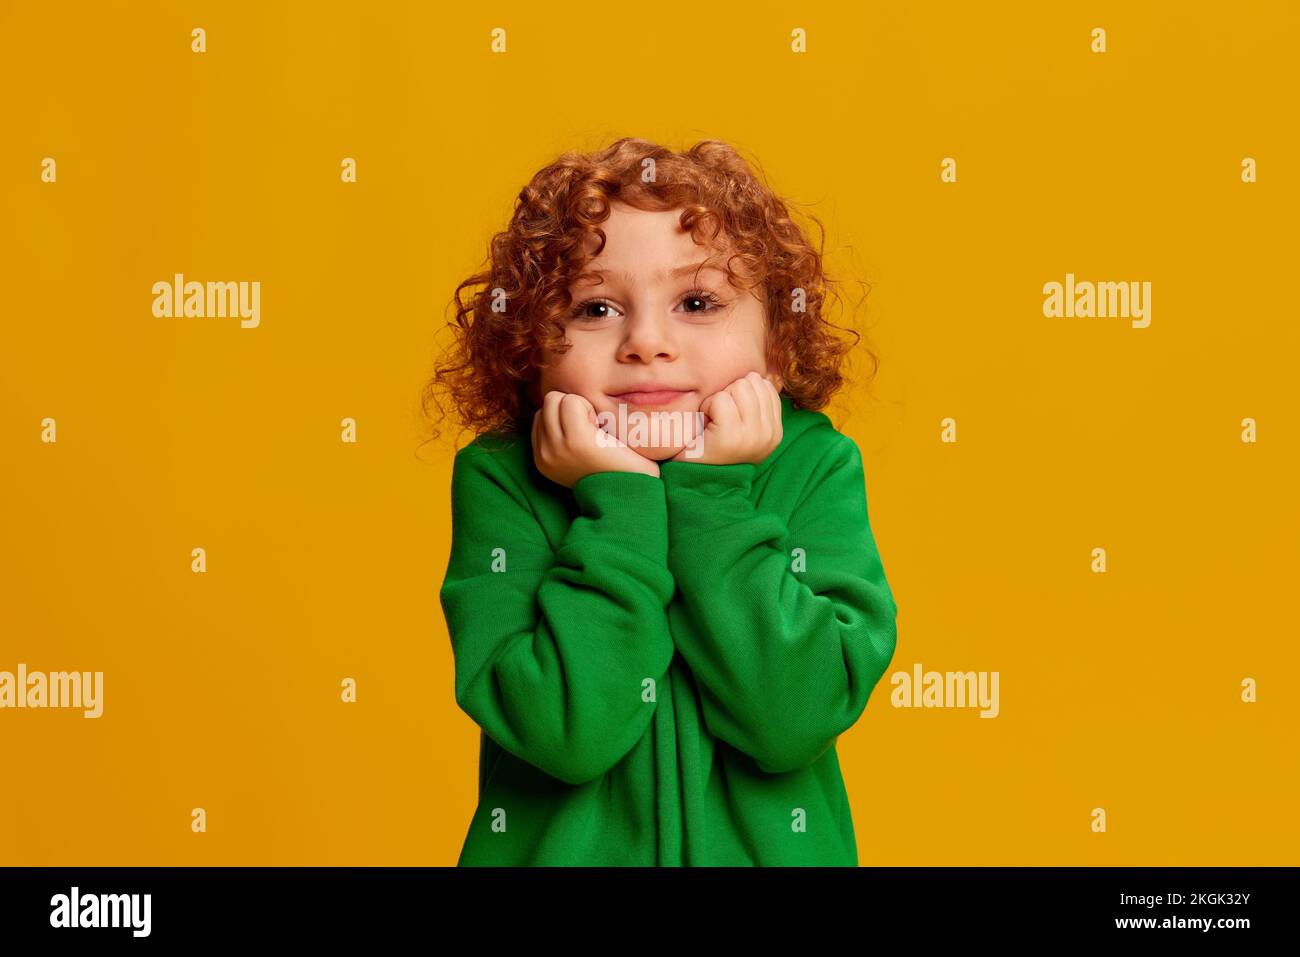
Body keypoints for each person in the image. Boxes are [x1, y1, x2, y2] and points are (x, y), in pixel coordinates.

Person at [425, 137, 898, 865]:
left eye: (698, 301)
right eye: (595, 308)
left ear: (776, 346)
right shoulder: (504, 480)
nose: (646, 341)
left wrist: (712, 497)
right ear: (531, 346)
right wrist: (619, 502)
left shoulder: (812, 466)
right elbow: (565, 733)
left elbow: (791, 718)